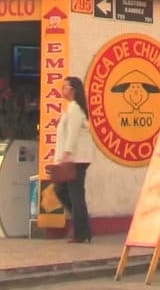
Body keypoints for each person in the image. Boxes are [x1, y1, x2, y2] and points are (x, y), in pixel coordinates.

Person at [53, 76, 93, 243]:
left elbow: (73, 133)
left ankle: (81, 232)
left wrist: (67, 153)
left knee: (75, 194)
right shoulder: (70, 108)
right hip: (73, 158)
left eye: (65, 87)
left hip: (76, 158)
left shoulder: (75, 108)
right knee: (61, 190)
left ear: (73, 90)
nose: (62, 89)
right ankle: (83, 227)